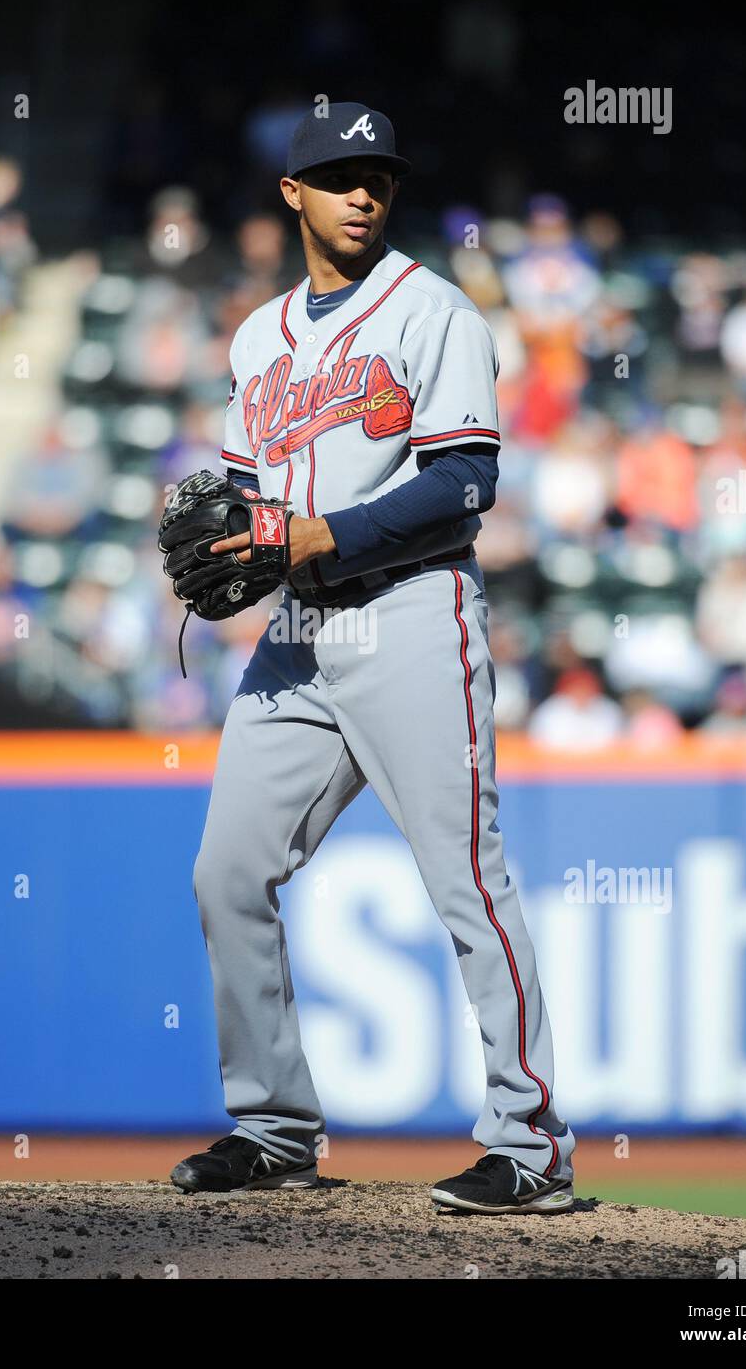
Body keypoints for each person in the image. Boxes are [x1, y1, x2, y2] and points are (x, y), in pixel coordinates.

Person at [170, 103, 576, 1214]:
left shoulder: (433, 310)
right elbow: (247, 499)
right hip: (298, 635)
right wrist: (240, 541)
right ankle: (273, 1125)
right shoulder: (259, 339)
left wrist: (317, 535)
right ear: (293, 194)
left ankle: (530, 1145)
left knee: (466, 881)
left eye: (379, 176)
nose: (363, 192)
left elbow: (462, 486)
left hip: (409, 612)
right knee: (225, 871)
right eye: (339, 175)